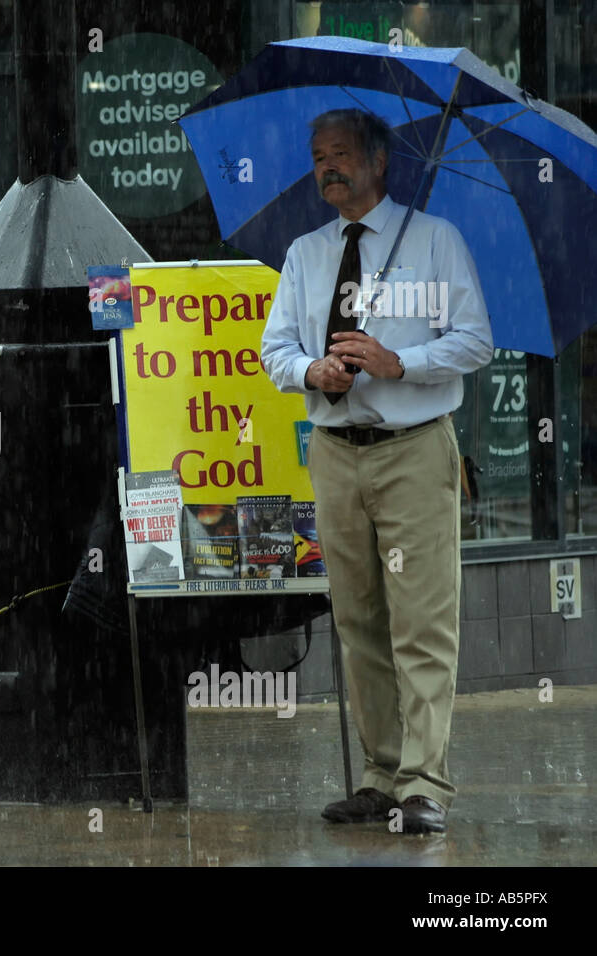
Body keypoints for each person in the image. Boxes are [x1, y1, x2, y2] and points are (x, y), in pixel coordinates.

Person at [261, 108, 493, 834]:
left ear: (379, 162)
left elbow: (476, 341)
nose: (327, 167)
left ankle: (426, 783)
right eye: (318, 156)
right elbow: (274, 354)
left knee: (421, 621)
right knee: (357, 621)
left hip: (414, 447)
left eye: (340, 155)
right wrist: (314, 370)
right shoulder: (304, 255)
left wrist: (403, 364)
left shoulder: (434, 241)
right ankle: (380, 776)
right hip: (334, 453)